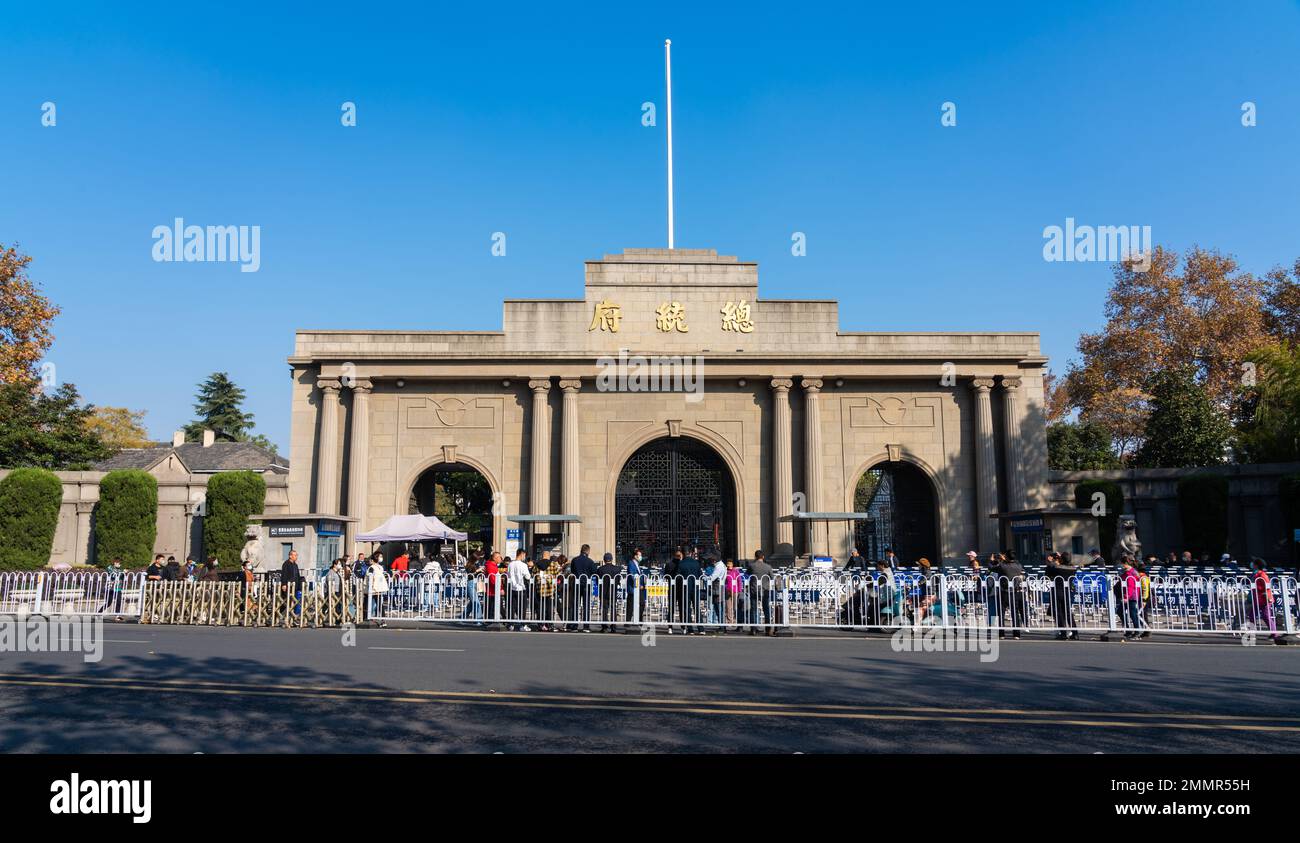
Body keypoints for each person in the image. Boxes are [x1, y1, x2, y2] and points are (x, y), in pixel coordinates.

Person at [989, 552, 1025, 638]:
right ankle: (1016, 634)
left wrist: (991, 561)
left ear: (1007, 558)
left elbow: (991, 568)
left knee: (1001, 613)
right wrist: (1006, 560)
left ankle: (1002, 634)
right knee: (1015, 613)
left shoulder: (1003, 566)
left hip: (1004, 591)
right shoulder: (1018, 566)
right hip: (1014, 592)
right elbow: (1016, 563)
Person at [1251, 558, 1287, 644]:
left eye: (1254, 563)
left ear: (1256, 565)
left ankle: (1274, 633)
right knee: (1252, 615)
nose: (1252, 565)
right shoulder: (1257, 574)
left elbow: (1266, 586)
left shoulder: (1262, 575)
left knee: (1266, 616)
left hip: (1263, 599)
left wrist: (1267, 596)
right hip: (1257, 598)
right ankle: (1251, 633)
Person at [1046, 551, 1079, 640]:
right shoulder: (1073, 569)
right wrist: (1062, 558)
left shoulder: (1057, 568)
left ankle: (1063, 633)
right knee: (1068, 613)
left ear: (1061, 559)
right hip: (1067, 592)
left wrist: (1049, 562)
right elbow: (1068, 564)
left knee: (1059, 612)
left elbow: (1048, 573)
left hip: (1058, 591)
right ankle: (1075, 633)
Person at [569, 544, 598, 631]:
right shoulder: (590, 561)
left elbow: (573, 571)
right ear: (588, 551)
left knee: (575, 605)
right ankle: (586, 626)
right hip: (586, 585)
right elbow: (594, 573)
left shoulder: (574, 560)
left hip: (576, 585)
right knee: (586, 605)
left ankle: (574, 625)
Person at [747, 551, 774, 635]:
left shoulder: (752, 566)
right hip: (765, 590)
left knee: (753, 609)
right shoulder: (768, 567)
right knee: (766, 610)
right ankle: (768, 629)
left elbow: (747, 574)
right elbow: (772, 577)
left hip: (754, 590)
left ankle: (753, 629)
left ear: (755, 557)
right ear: (763, 557)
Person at [676, 548, 702, 634]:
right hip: (695, 587)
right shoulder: (696, 563)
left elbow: (678, 577)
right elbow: (700, 575)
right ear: (690, 553)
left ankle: (690, 629)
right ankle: (701, 628)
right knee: (697, 607)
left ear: (683, 554)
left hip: (685, 588)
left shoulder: (681, 564)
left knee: (687, 608)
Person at [507, 550, 533, 631]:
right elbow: (528, 577)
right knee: (522, 607)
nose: (524, 557)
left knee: (512, 607)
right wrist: (530, 568)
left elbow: (508, 574)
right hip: (521, 588)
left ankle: (511, 625)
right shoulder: (523, 565)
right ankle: (523, 625)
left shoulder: (510, 564)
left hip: (512, 588)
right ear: (521, 554)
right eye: (524, 555)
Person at [596, 552, 621, 632]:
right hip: (613, 591)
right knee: (613, 608)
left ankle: (604, 627)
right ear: (612, 559)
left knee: (604, 609)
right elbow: (618, 580)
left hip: (603, 592)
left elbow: (597, 581)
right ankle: (613, 627)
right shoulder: (617, 569)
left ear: (604, 560)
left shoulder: (600, 569)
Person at [625, 548, 648, 624]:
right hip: (633, 588)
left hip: (639, 589)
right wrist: (638, 585)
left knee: (642, 603)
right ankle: (628, 622)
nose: (641, 557)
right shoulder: (631, 563)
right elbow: (632, 576)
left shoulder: (637, 564)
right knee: (630, 606)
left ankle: (639, 619)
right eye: (639, 555)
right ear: (635, 556)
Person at [366, 554, 390, 626]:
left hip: (379, 588)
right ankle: (368, 618)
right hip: (373, 589)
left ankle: (382, 620)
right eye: (380, 556)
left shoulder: (380, 567)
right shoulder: (372, 567)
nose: (381, 558)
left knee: (379, 604)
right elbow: (370, 577)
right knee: (370, 604)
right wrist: (373, 586)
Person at [534, 557, 557, 631]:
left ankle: (540, 624)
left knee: (540, 608)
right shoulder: (553, 564)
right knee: (549, 608)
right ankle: (550, 625)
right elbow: (557, 574)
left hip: (540, 589)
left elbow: (533, 574)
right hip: (550, 589)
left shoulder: (537, 564)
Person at [723, 558, 741, 631]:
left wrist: (739, 590)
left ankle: (735, 620)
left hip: (735, 591)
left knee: (735, 606)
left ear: (732, 564)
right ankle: (730, 621)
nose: (729, 565)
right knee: (728, 607)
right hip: (727, 591)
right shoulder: (725, 572)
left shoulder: (736, 571)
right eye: (728, 564)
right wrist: (726, 588)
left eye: (730, 563)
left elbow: (739, 581)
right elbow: (724, 581)